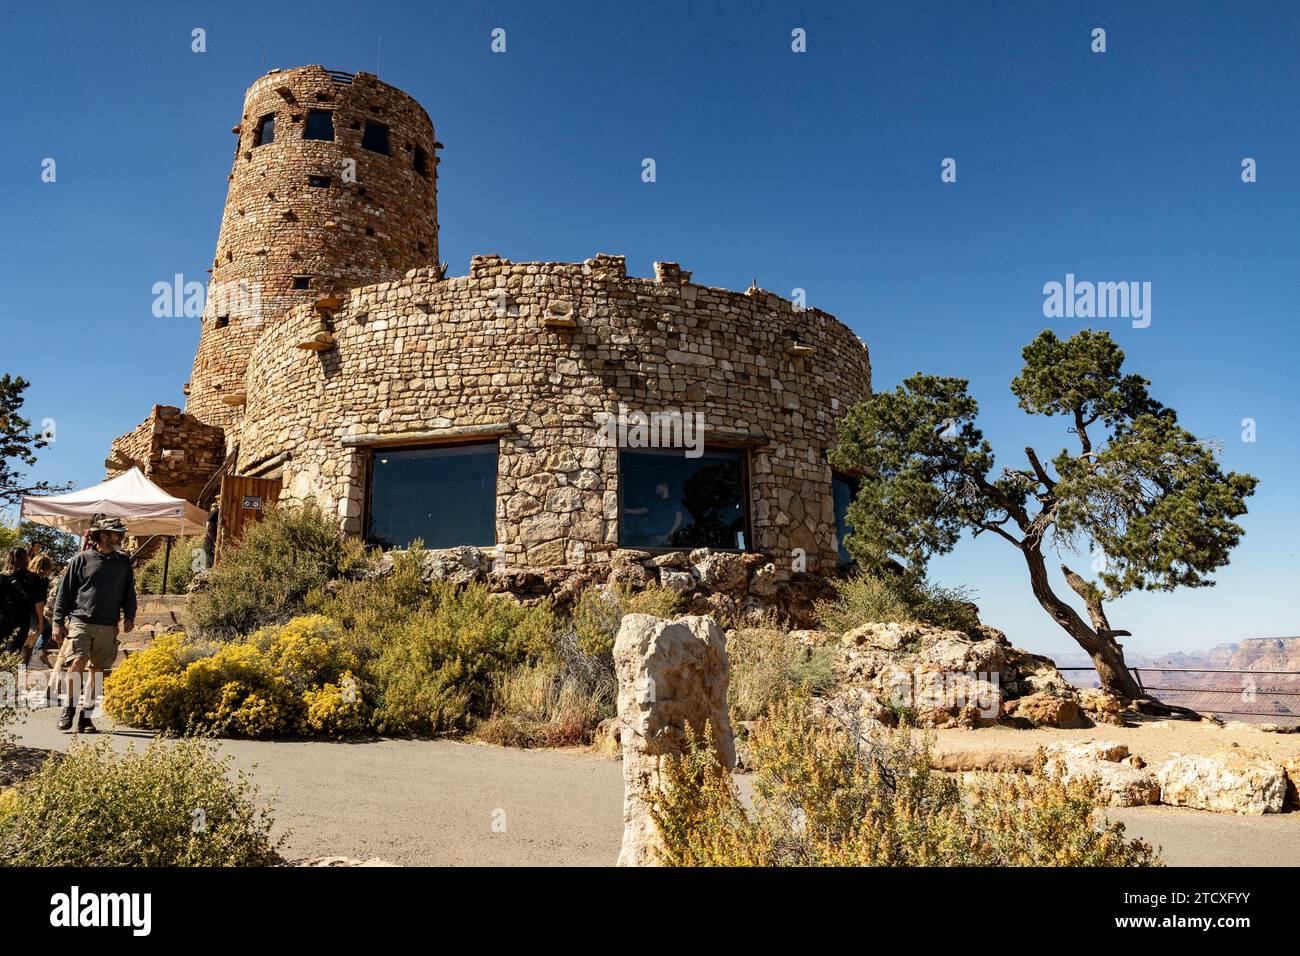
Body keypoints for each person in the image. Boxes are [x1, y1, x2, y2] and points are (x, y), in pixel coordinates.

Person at [52, 516, 137, 734]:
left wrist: (129, 614)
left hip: (109, 624)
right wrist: (57, 622)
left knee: (97, 671)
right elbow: (65, 592)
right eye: (116, 533)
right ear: (103, 535)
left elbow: (129, 591)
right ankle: (69, 709)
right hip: (81, 620)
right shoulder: (81, 559)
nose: (120, 536)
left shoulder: (123, 562)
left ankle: (86, 718)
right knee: (77, 662)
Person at [20, 553, 54, 667]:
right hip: (33, 612)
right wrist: (40, 620)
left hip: (20, 610)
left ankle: (35, 655)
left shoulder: (25, 575)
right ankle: (25, 664)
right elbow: (39, 602)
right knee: (30, 640)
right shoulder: (42, 578)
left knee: (47, 629)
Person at [0, 548, 32, 655]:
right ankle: (13, 671)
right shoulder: (31, 577)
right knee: (15, 652)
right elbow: (37, 602)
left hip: (4, 617)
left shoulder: (2, 576)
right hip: (22, 620)